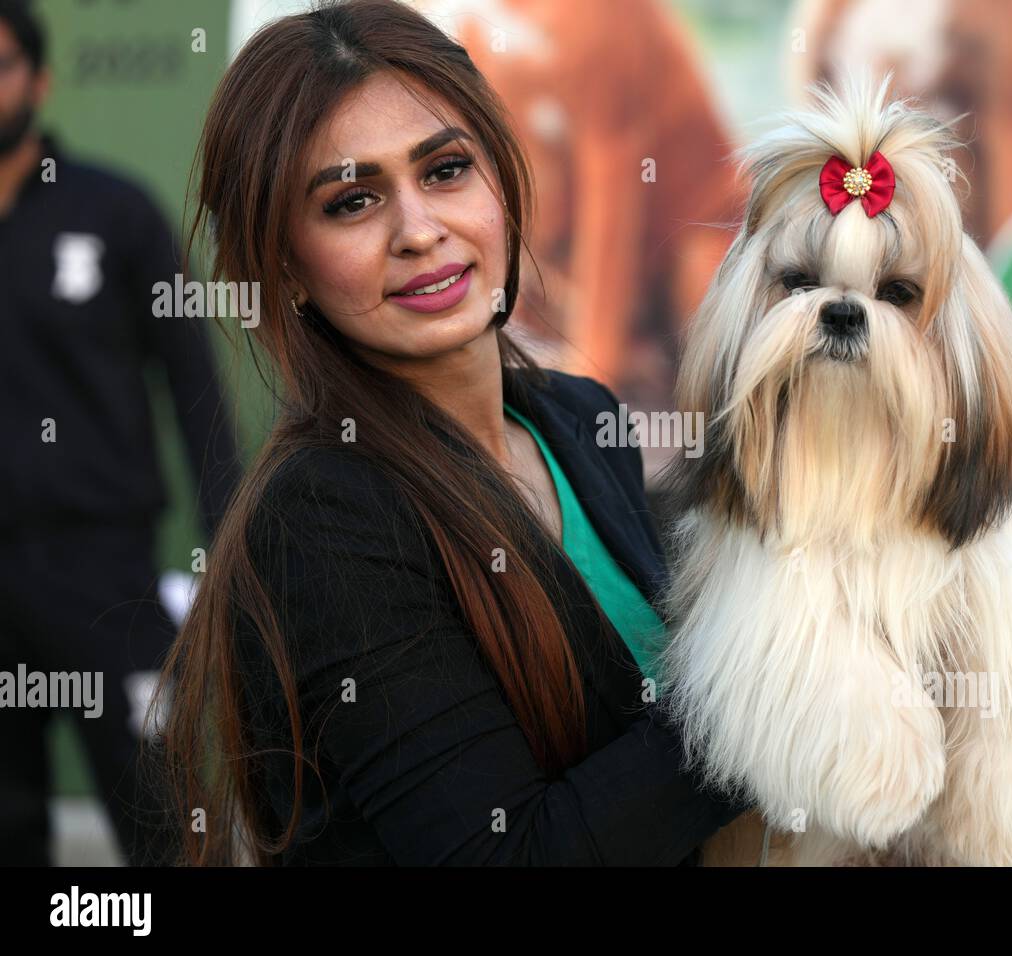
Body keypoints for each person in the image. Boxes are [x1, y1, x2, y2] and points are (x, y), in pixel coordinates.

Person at [154, 0, 750, 865]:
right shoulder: (324, 517)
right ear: (284, 265)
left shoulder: (583, 421)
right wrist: (779, 695)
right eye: (353, 201)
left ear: (502, 180)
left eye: (445, 170)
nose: (420, 231)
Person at [0, 0, 241, 865]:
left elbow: (196, 387)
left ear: (39, 80)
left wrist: (225, 543)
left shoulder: (113, 213)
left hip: (101, 569)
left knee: (158, 813)